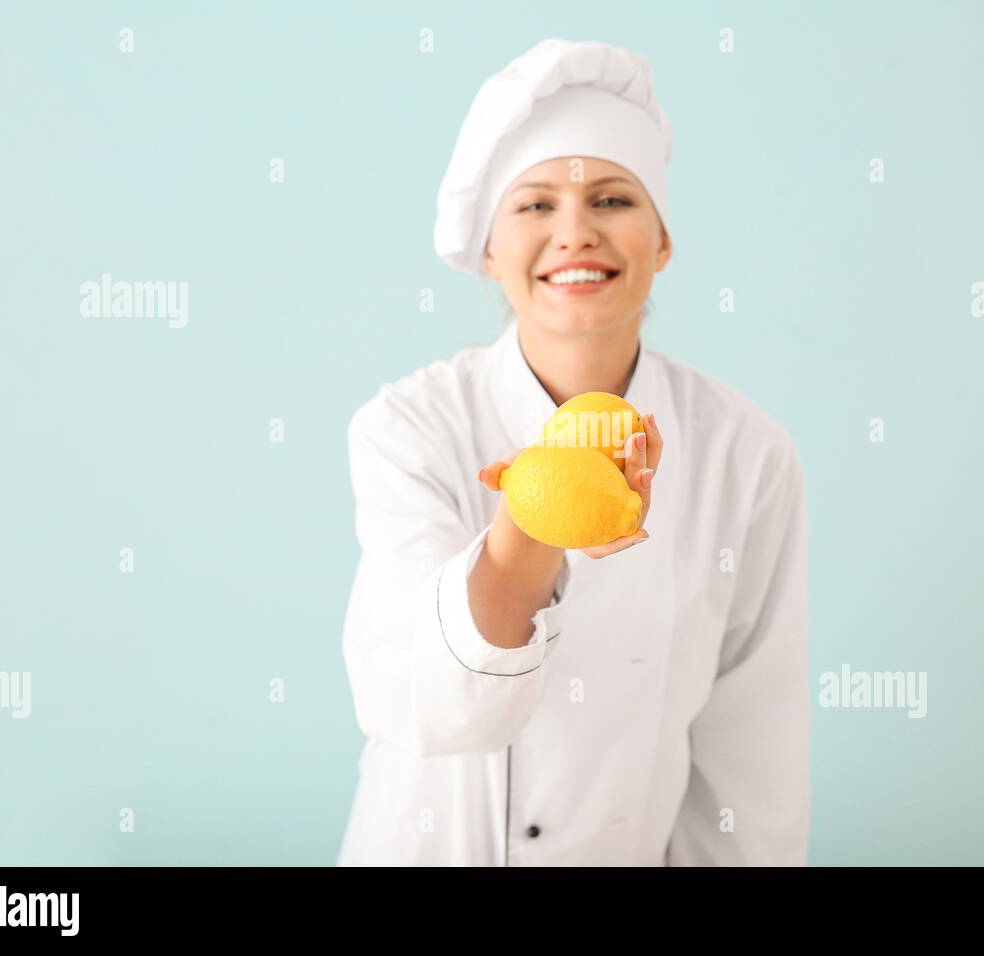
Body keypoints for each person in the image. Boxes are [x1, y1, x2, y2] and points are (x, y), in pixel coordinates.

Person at [337, 38, 808, 866]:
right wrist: (533, 521)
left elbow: (752, 773)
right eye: (534, 205)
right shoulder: (409, 428)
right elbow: (417, 703)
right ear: (487, 252)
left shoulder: (747, 456)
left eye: (614, 199)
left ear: (662, 242)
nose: (576, 233)